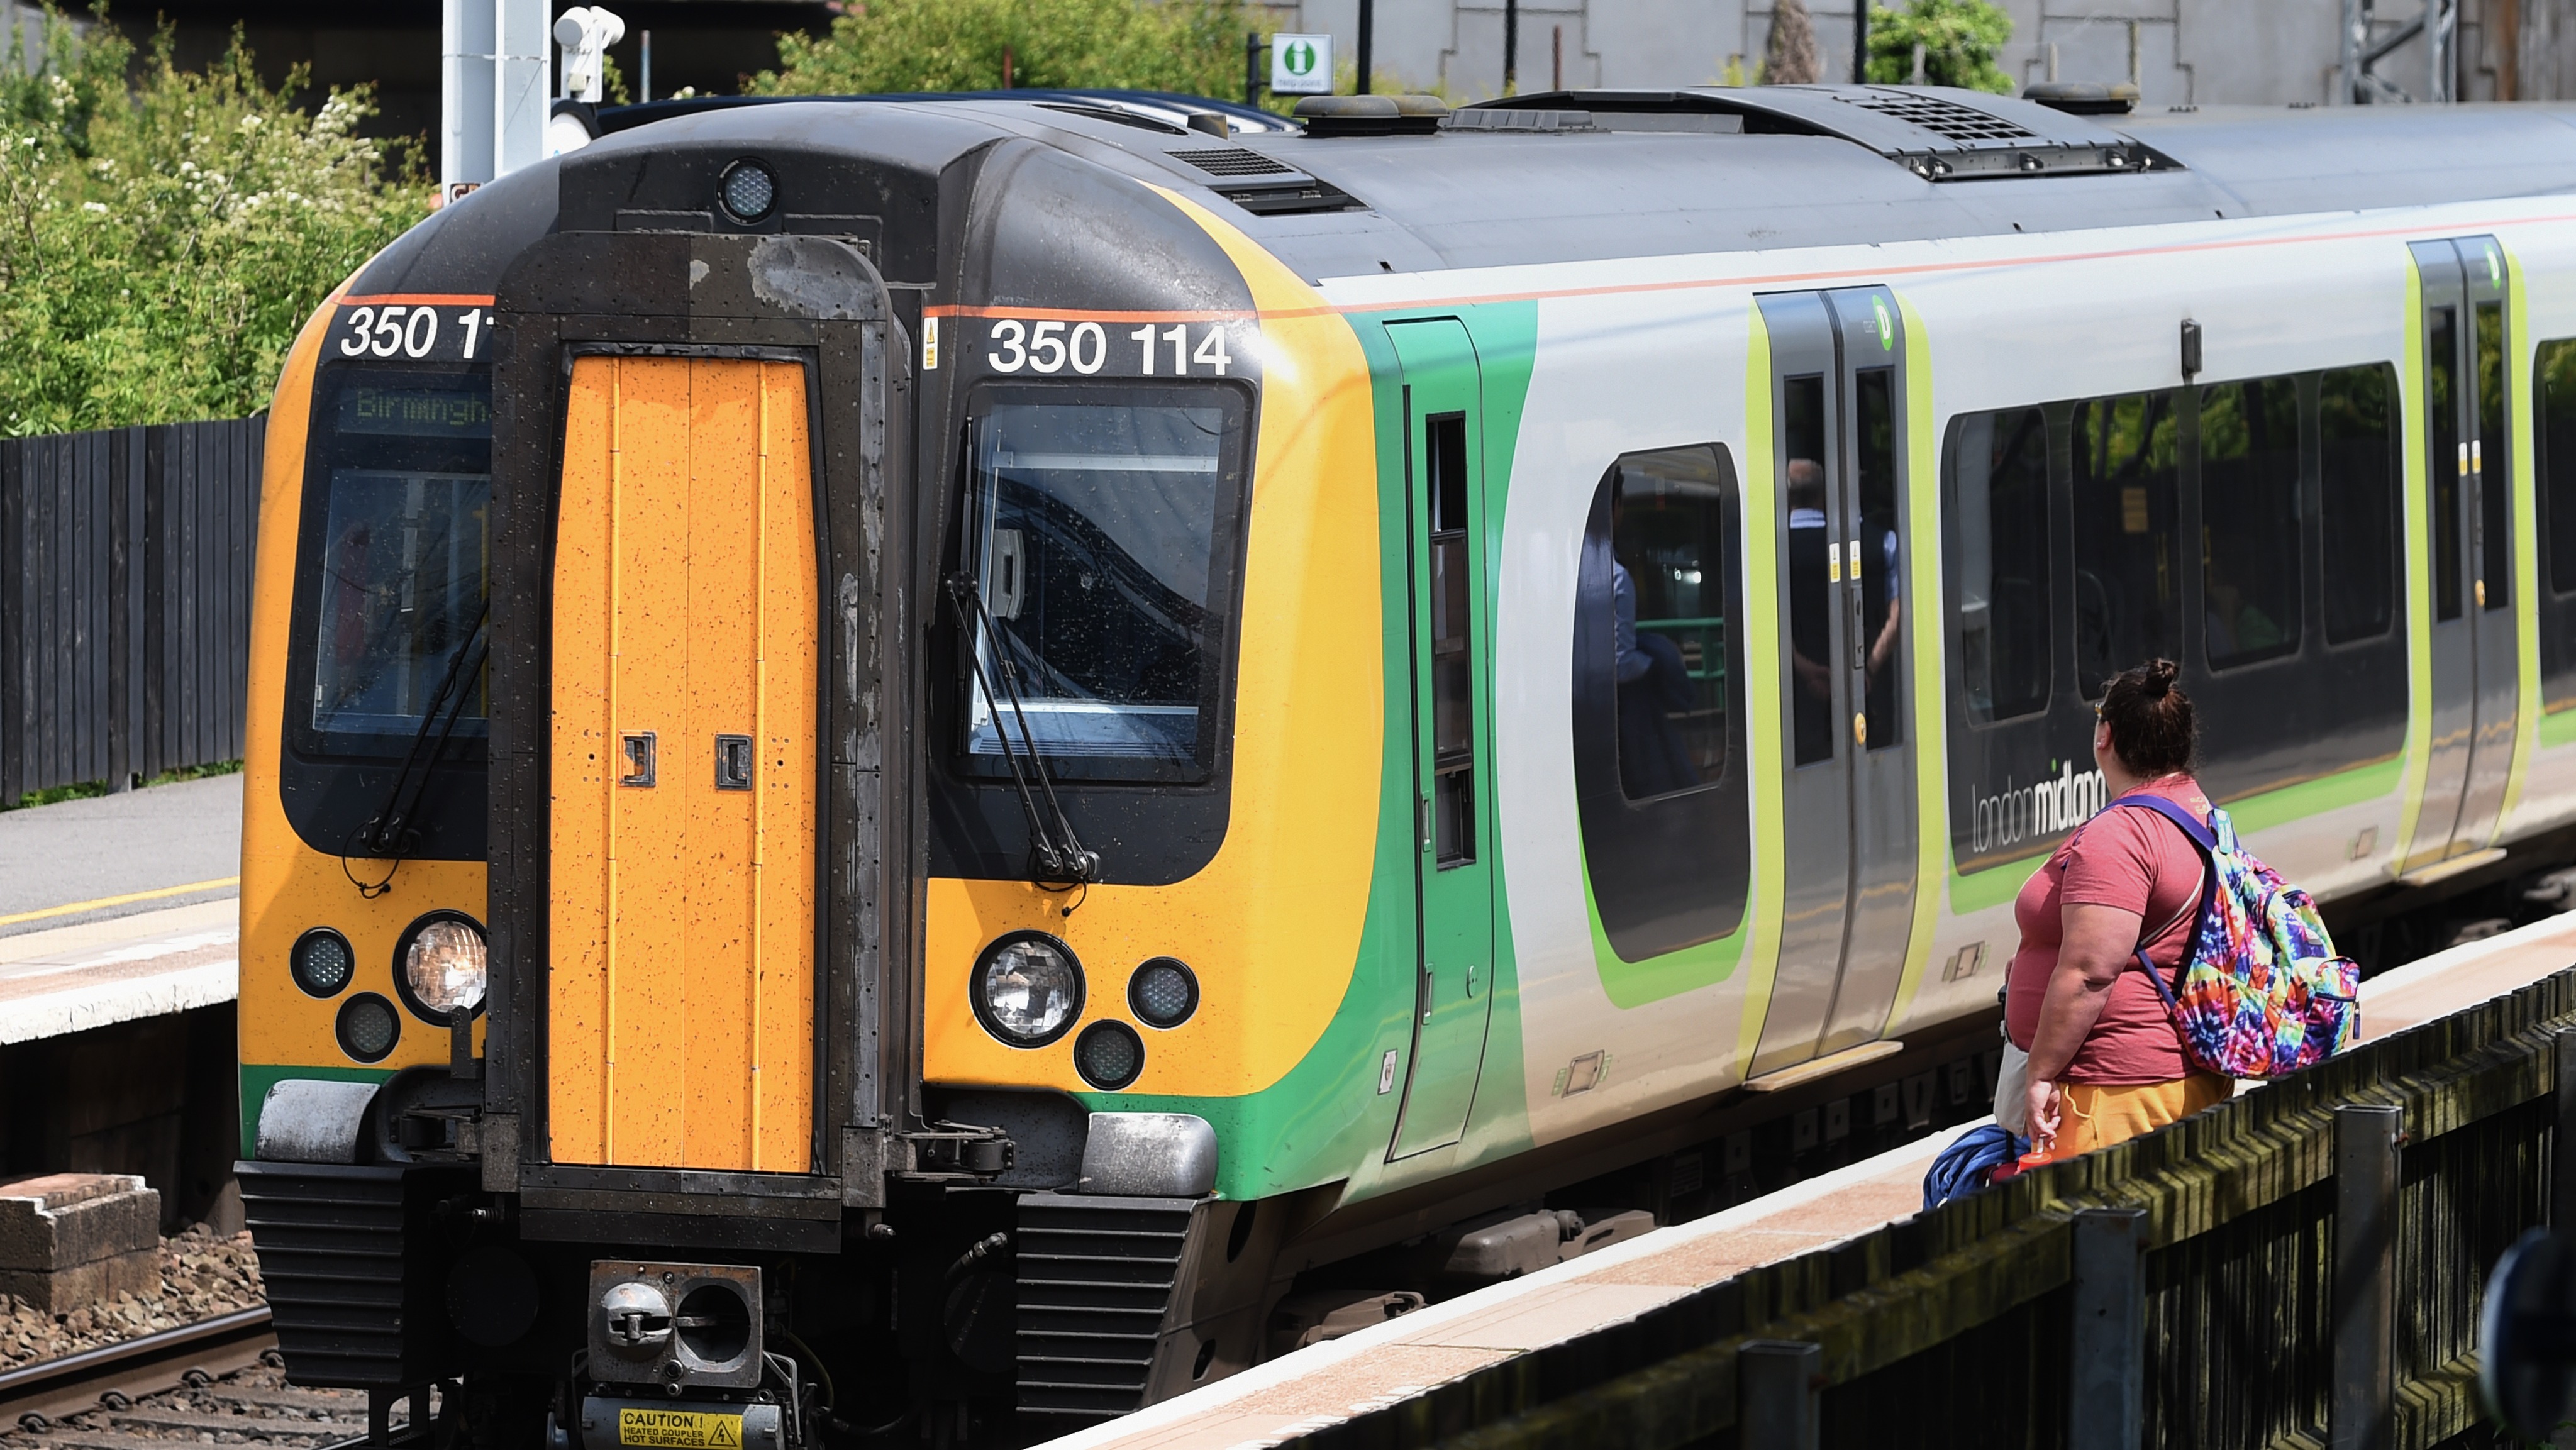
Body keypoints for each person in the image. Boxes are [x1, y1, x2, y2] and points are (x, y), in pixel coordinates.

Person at [2007, 658, 2229, 1156]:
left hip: (2115, 1097)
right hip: (2173, 1079)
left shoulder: (2122, 835)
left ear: (2104, 735)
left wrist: (2041, 1073)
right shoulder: (2199, 812)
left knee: (2082, 1229)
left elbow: (2090, 972)